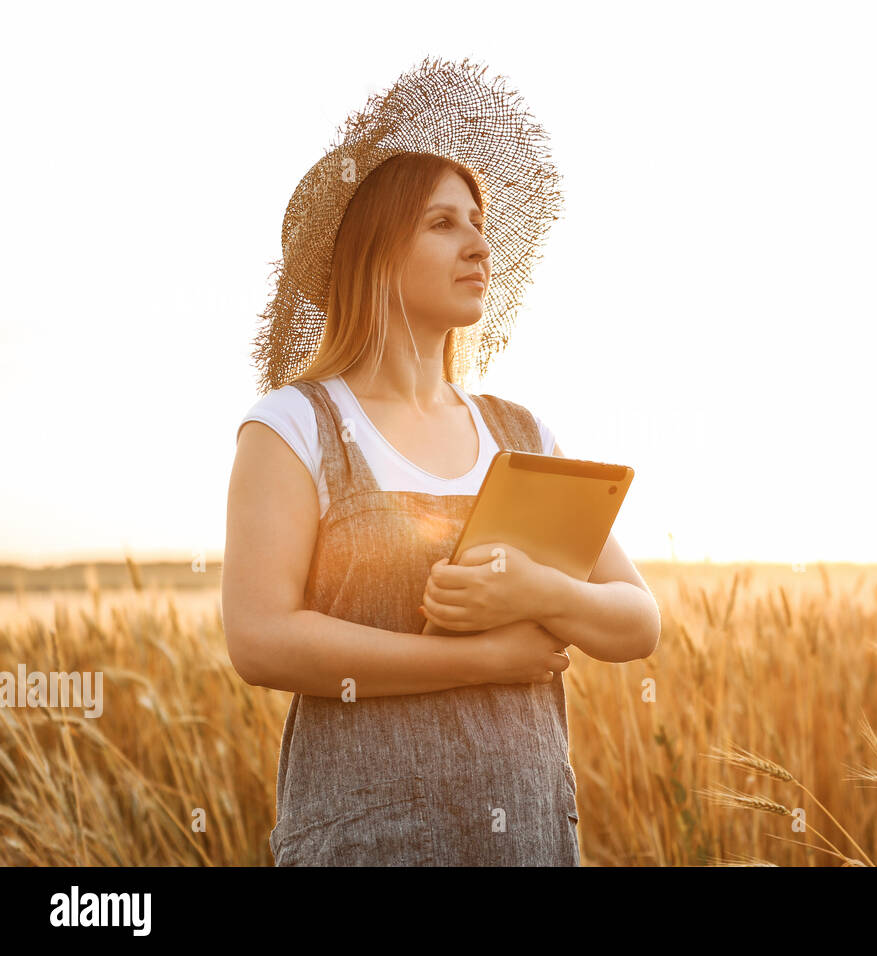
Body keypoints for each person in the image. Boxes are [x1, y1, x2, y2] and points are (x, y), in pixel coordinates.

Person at [221, 58, 660, 866]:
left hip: (525, 843)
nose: (480, 245)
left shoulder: (519, 434)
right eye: (442, 223)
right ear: (374, 252)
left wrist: (539, 592)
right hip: (362, 846)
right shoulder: (294, 426)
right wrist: (479, 659)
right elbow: (261, 639)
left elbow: (638, 621)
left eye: (478, 220)